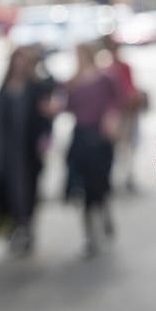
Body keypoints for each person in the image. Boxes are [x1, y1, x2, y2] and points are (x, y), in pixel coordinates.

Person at [0, 46, 55, 256]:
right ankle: (14, 226)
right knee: (5, 190)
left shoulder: (36, 87)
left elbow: (49, 104)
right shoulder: (4, 87)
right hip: (6, 148)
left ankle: (26, 228)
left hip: (27, 151)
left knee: (27, 191)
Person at [65, 43, 121, 257]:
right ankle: (90, 234)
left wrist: (112, 120)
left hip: (100, 138)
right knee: (83, 187)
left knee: (100, 183)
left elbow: (116, 102)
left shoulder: (104, 79)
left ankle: (104, 214)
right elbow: (69, 107)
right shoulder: (74, 82)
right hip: (81, 137)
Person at [102, 35, 147, 193]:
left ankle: (126, 176)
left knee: (126, 146)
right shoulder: (109, 68)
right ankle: (123, 177)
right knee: (122, 147)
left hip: (125, 111)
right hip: (120, 112)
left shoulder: (117, 67)